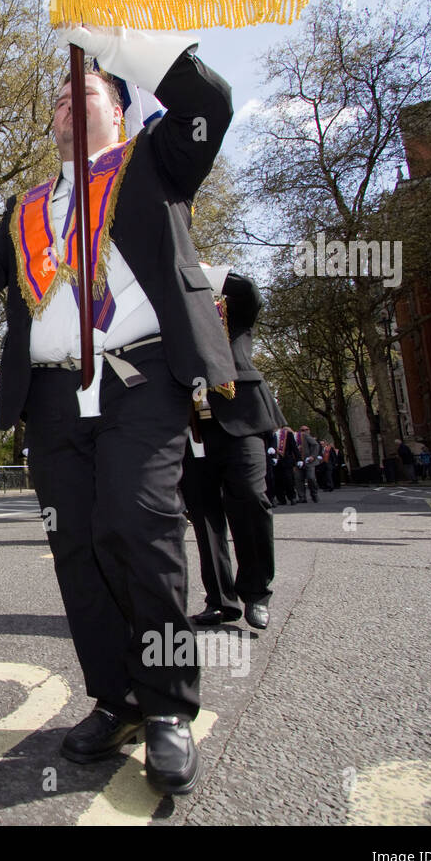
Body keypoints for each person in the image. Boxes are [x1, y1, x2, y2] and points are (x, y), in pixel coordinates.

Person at [0, 27, 234, 795]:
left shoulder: (152, 163)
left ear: (119, 107)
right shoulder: (30, 205)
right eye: (56, 97)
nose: (64, 99)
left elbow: (209, 105)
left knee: (137, 522)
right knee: (78, 548)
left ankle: (167, 708)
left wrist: (124, 47)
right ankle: (116, 697)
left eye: (82, 88)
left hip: (138, 379)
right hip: (51, 396)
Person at [183, 270, 284, 631]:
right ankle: (221, 600)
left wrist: (198, 270)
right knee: (204, 515)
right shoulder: (172, 318)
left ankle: (256, 592)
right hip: (192, 427)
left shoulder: (232, 311)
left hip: (241, 419)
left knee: (251, 498)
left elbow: (249, 291)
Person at [295, 425, 320, 503]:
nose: (304, 431)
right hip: (299, 462)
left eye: (306, 429)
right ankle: (302, 497)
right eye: (302, 430)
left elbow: (316, 445)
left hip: (309, 462)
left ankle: (314, 494)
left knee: (311, 478)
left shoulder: (307, 437)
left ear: (309, 430)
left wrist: (313, 456)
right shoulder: (297, 437)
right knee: (298, 479)